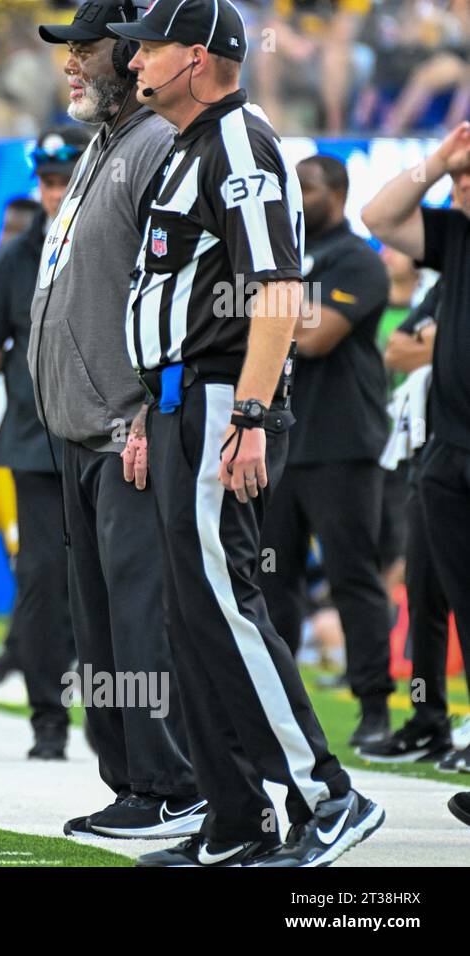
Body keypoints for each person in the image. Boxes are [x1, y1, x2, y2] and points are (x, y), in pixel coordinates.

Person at [110, 0, 383, 867]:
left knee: (224, 605)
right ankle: (236, 817)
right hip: (180, 399)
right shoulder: (191, 146)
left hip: (224, 397)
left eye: (149, 46)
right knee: (191, 618)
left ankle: (327, 795)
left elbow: (274, 287)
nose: (133, 60)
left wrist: (252, 414)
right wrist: (151, 406)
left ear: (198, 57)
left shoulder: (237, 140)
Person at [26, 0, 203, 834]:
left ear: (129, 55)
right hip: (76, 432)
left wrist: (144, 409)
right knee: (96, 621)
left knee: (139, 615)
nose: (71, 63)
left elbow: (178, 296)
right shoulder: (103, 148)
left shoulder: (158, 147)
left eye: (84, 49)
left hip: (126, 431)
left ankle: (173, 784)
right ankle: (134, 781)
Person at [0, 125, 86, 760]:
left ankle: (138, 728)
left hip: (111, 442)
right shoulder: (20, 254)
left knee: (119, 579)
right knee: (39, 581)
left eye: (66, 181)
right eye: (49, 182)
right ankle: (48, 723)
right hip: (34, 443)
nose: (56, 194)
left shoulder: (122, 241)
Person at [256, 155, 396, 750]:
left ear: (335, 193)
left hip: (342, 443)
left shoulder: (358, 260)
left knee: (352, 575)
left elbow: (315, 337)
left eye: (307, 189)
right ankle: (277, 707)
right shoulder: (281, 259)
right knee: (270, 579)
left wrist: (265, 316)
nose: (298, 197)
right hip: (280, 439)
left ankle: (374, 707)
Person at [363, 121, 470, 770]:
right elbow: (380, 215)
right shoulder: (456, 239)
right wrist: (439, 160)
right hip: (446, 452)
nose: (460, 188)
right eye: (459, 180)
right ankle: (436, 722)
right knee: (454, 602)